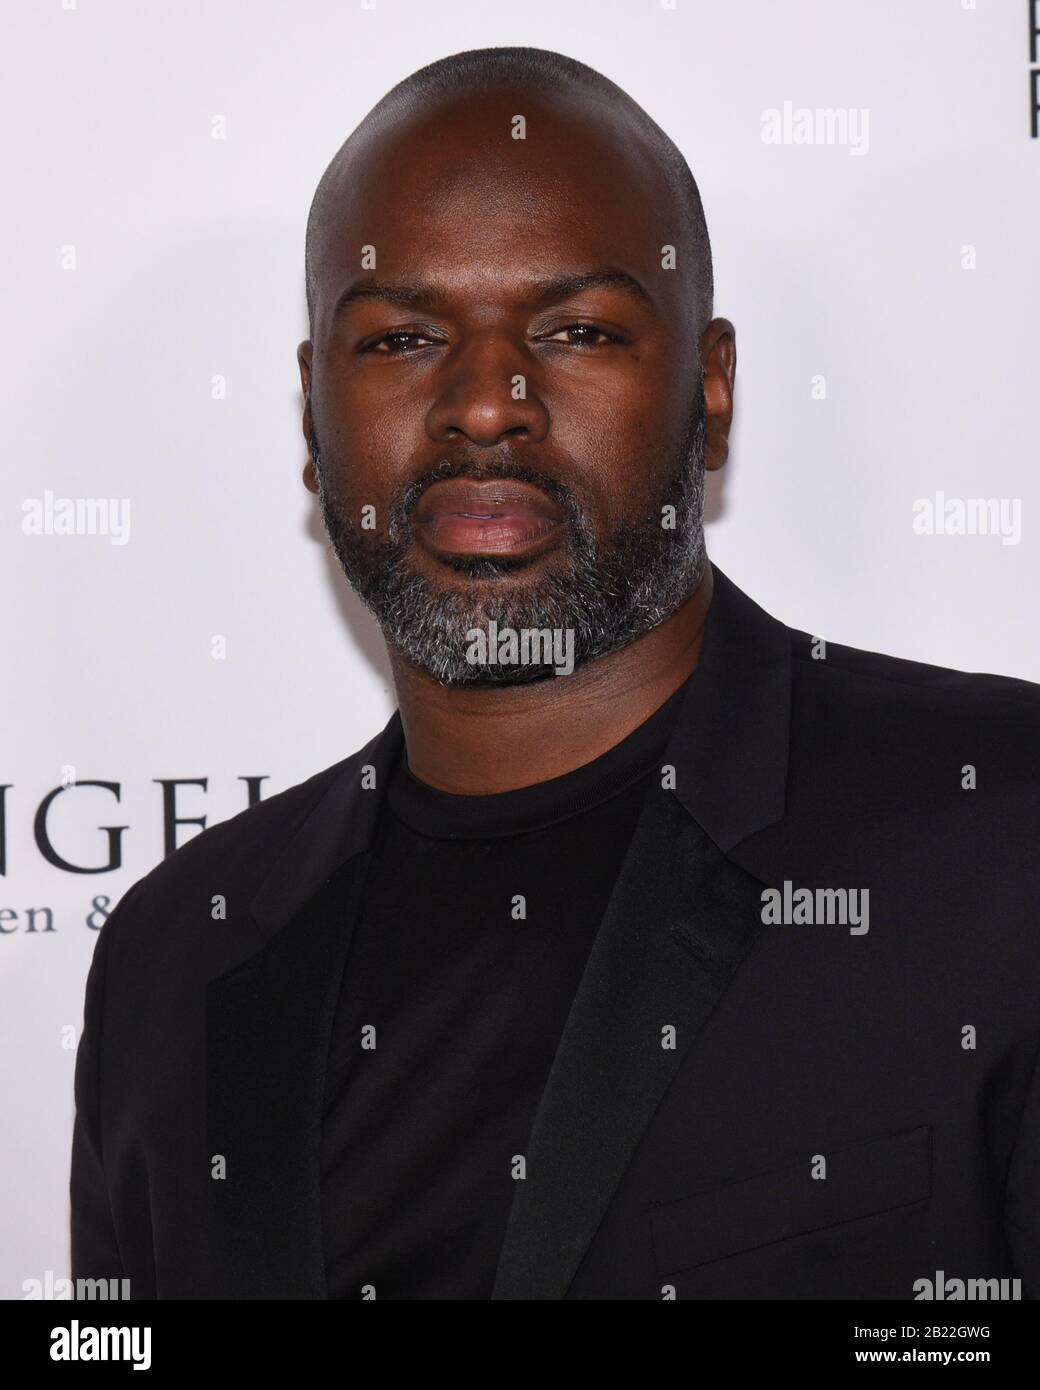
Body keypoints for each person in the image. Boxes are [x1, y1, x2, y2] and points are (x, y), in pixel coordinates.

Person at [71, 45, 1040, 1300]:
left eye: (574, 330)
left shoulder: (995, 829)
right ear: (310, 416)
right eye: (402, 337)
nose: (488, 402)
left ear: (712, 386)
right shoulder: (175, 957)